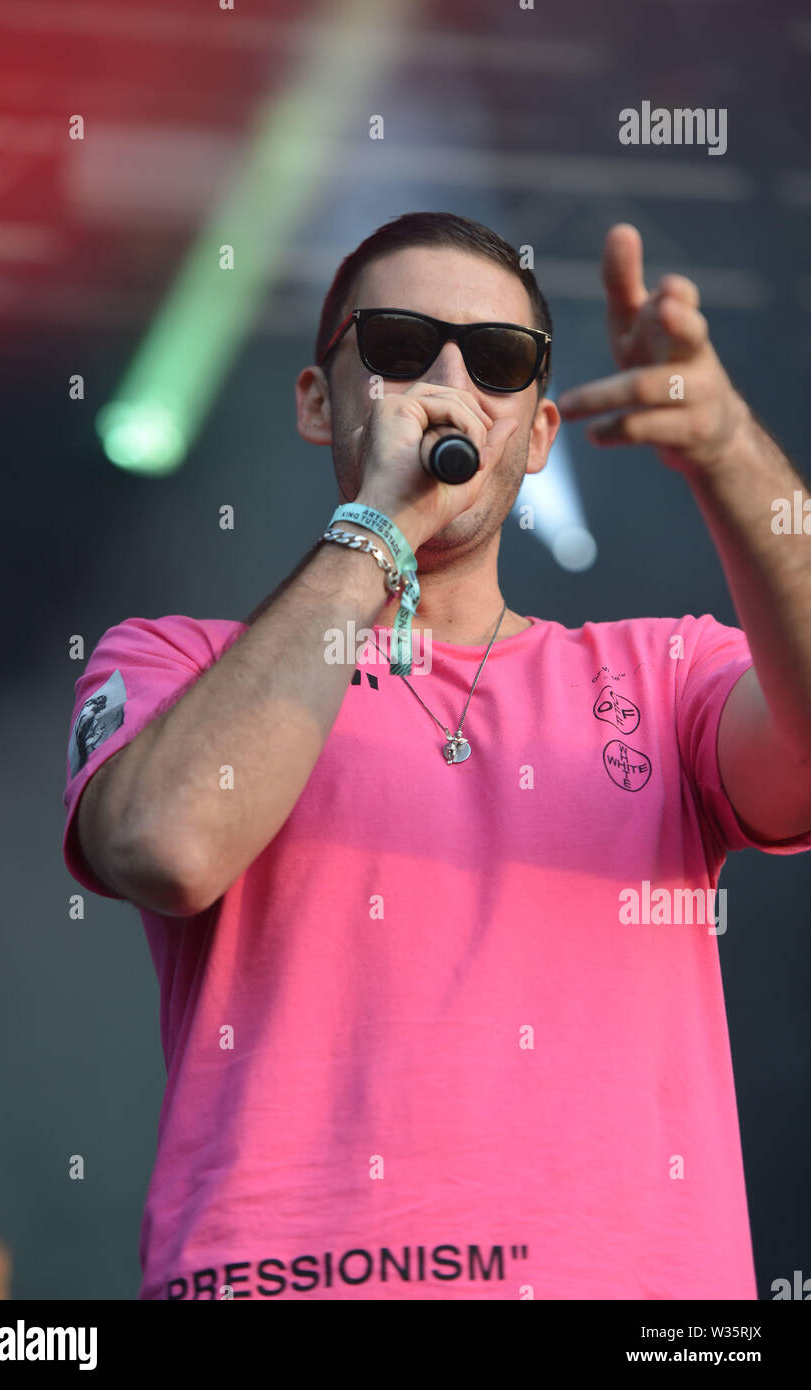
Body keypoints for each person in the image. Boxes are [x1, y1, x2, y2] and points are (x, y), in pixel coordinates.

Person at [62, 211, 811, 1301]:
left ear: (538, 430)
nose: (448, 382)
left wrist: (729, 450)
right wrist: (379, 527)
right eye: (402, 347)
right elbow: (166, 842)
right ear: (322, 399)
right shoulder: (172, 661)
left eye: (498, 361)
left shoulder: (663, 676)